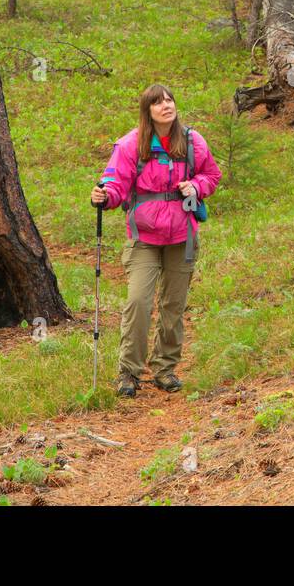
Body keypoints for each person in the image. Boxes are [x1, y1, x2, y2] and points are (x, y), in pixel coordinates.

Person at [91, 84, 222, 397]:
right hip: (144, 239)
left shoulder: (193, 141)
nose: (166, 105)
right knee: (138, 302)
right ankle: (129, 373)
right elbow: (115, 183)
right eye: (158, 102)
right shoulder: (129, 145)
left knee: (173, 306)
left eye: (169, 99)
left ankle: (165, 369)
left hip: (183, 236)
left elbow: (212, 175)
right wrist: (105, 195)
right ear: (147, 110)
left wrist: (197, 186)